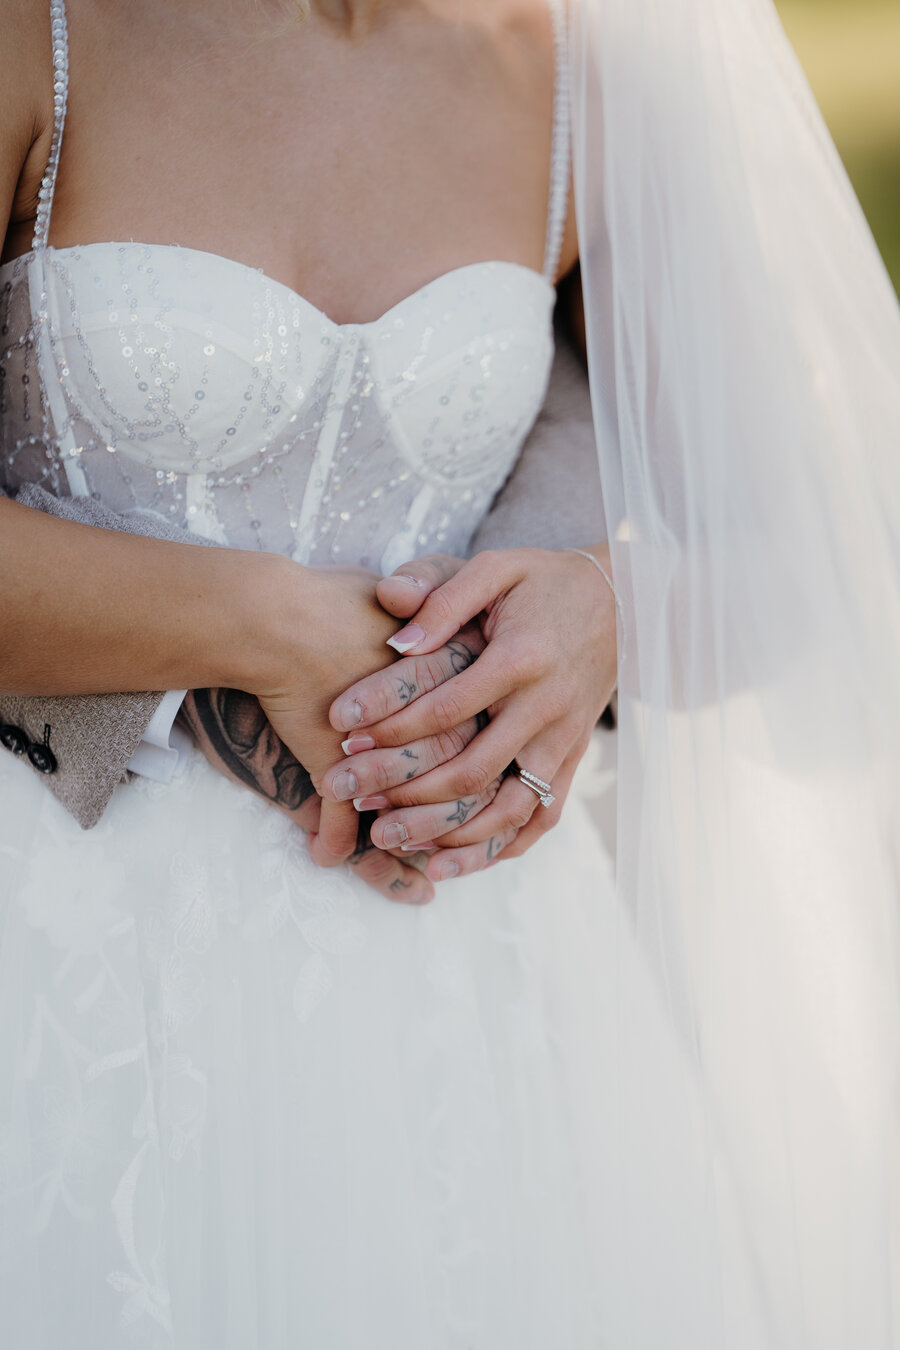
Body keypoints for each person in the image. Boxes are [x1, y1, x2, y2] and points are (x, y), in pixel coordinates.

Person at [3, 0, 900, 1346]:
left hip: (469, 995)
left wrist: (609, 604)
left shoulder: (583, 67)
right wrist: (261, 624)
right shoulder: (46, 33)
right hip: (59, 949)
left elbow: (808, 547)